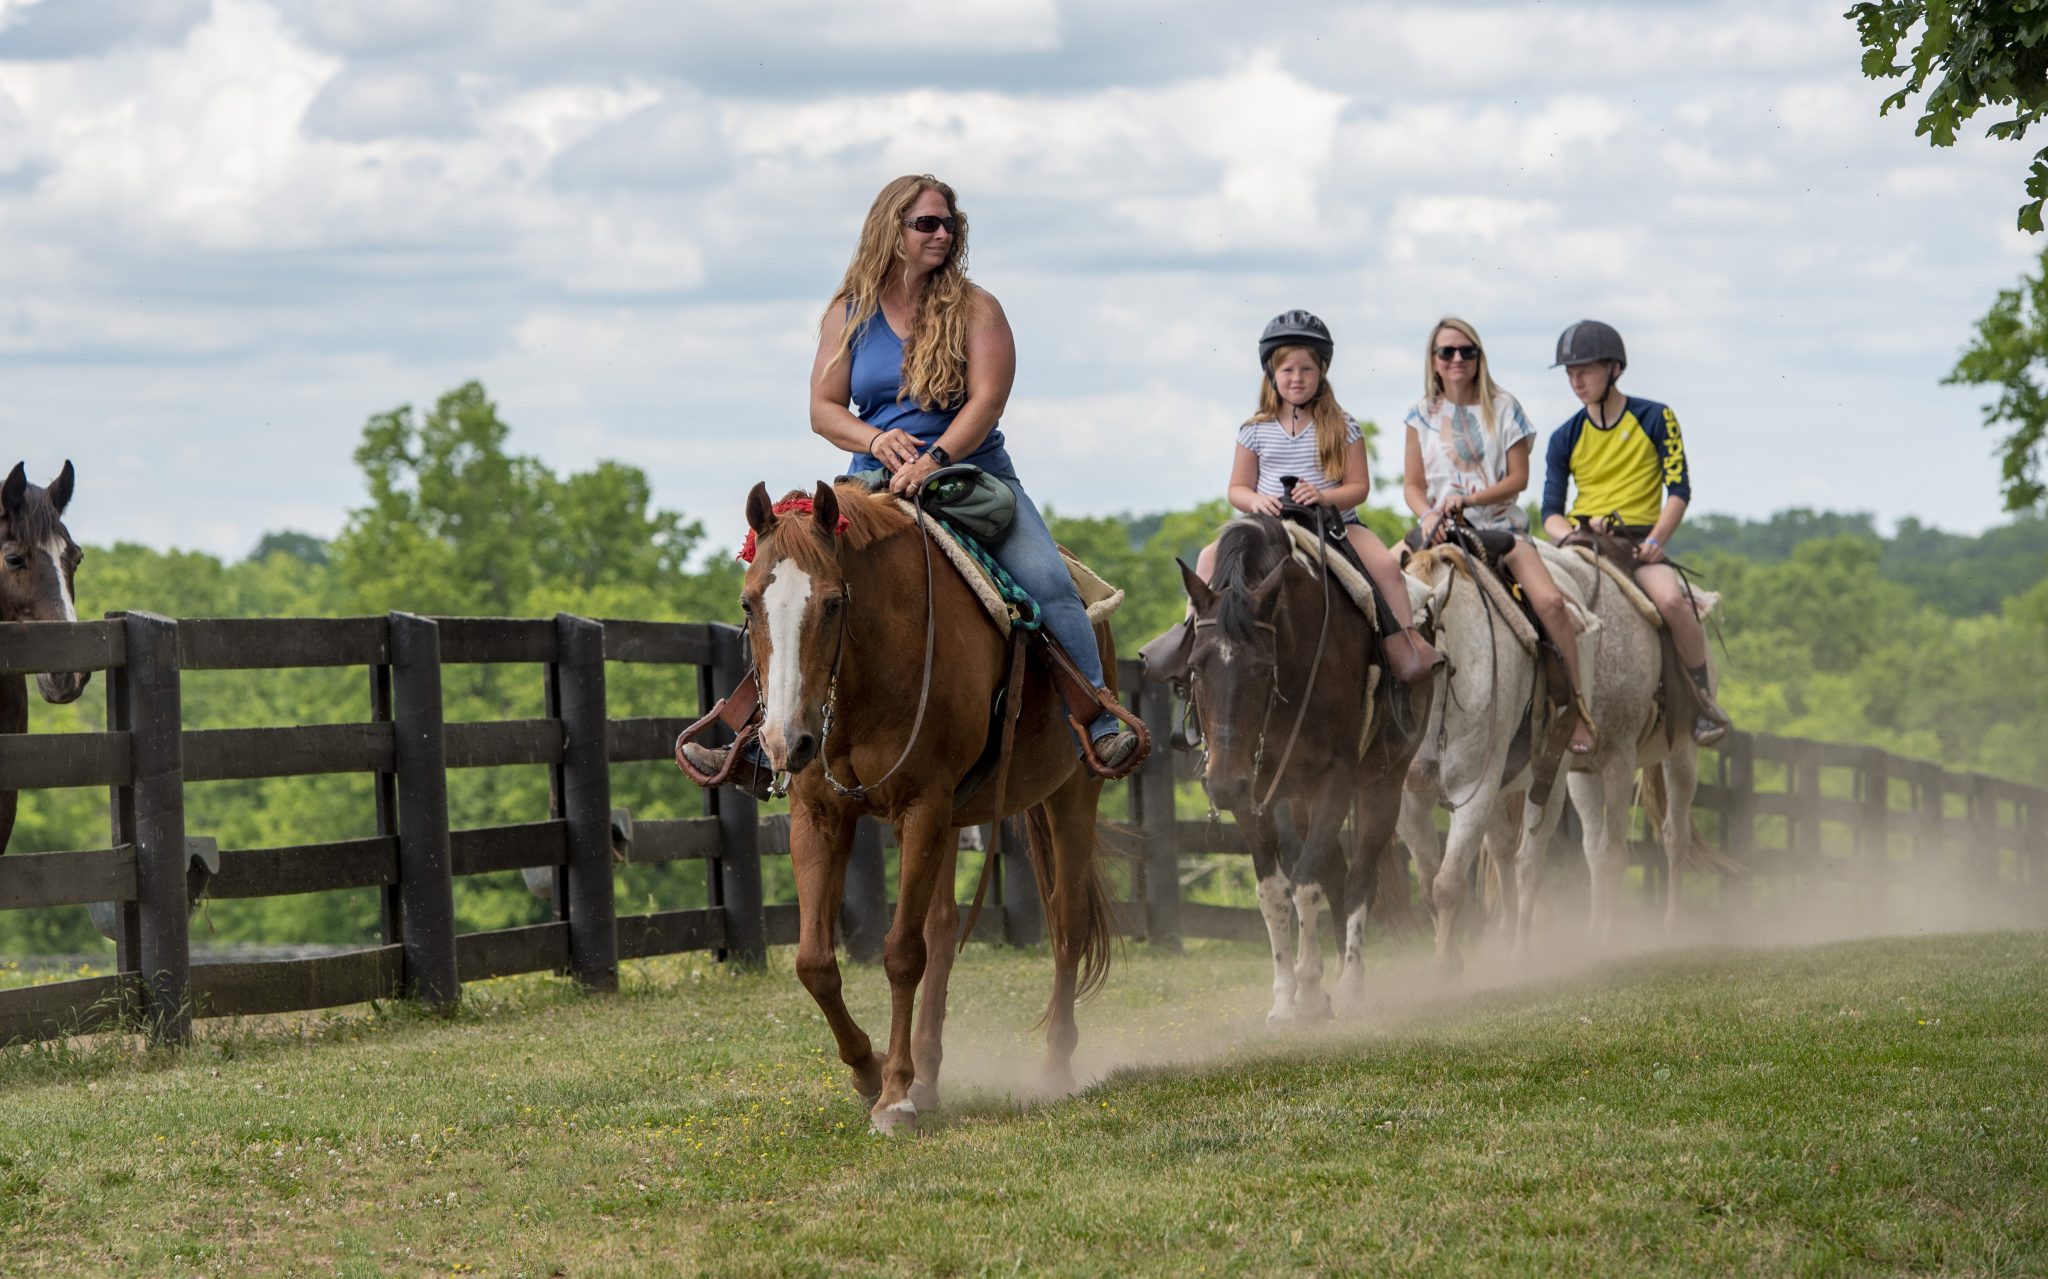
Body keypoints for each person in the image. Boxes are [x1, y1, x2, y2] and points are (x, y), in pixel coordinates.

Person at [684, 174, 1140, 795]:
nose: (943, 234)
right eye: (927, 224)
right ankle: (756, 739)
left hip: (970, 477)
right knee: (793, 595)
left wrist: (937, 455)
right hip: (870, 486)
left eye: (950, 224)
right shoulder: (849, 313)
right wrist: (874, 441)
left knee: (1047, 584)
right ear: (891, 233)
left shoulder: (978, 308)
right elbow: (823, 408)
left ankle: (1095, 720)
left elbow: (988, 399)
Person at [1140, 310, 1439, 686]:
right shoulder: (1255, 430)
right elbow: (1237, 487)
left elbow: (1359, 487)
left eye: (1306, 370)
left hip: (1332, 525)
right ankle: (1192, 638)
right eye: (1287, 371)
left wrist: (1324, 496)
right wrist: (1255, 502)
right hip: (1270, 526)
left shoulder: (1343, 427)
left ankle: (1404, 646)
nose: (1296, 378)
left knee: (1387, 569)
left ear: (1321, 373)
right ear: (1272, 375)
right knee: (1207, 557)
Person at [1401, 316, 1594, 754]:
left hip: (1498, 529)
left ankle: (1574, 710)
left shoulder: (1505, 407)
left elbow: (1519, 479)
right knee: (1379, 585)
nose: (1457, 360)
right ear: (1433, 360)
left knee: (1551, 605)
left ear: (1479, 357)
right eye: (1447, 352)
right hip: (1437, 533)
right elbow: (1412, 485)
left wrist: (1468, 502)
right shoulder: (1419, 415)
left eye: (1467, 351)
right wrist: (1427, 513)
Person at [1541, 318, 1732, 746]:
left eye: (1585, 369)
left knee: (1671, 601)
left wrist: (1656, 542)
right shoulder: (1563, 437)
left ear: (1615, 369)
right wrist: (1568, 536)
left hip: (1637, 546)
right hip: (1583, 546)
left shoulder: (1656, 417)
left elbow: (1678, 490)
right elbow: (1550, 512)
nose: (1576, 380)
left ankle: (1702, 702)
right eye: (1570, 372)